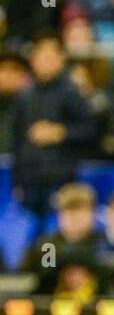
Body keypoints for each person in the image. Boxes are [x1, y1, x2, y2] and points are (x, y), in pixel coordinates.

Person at [12, 32, 96, 215]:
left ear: (62, 58)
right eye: (41, 55)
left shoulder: (72, 93)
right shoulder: (25, 95)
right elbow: (17, 139)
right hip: (29, 180)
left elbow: (91, 130)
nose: (45, 61)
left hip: (61, 179)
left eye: (51, 55)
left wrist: (61, 132)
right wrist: (17, 180)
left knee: (55, 233)